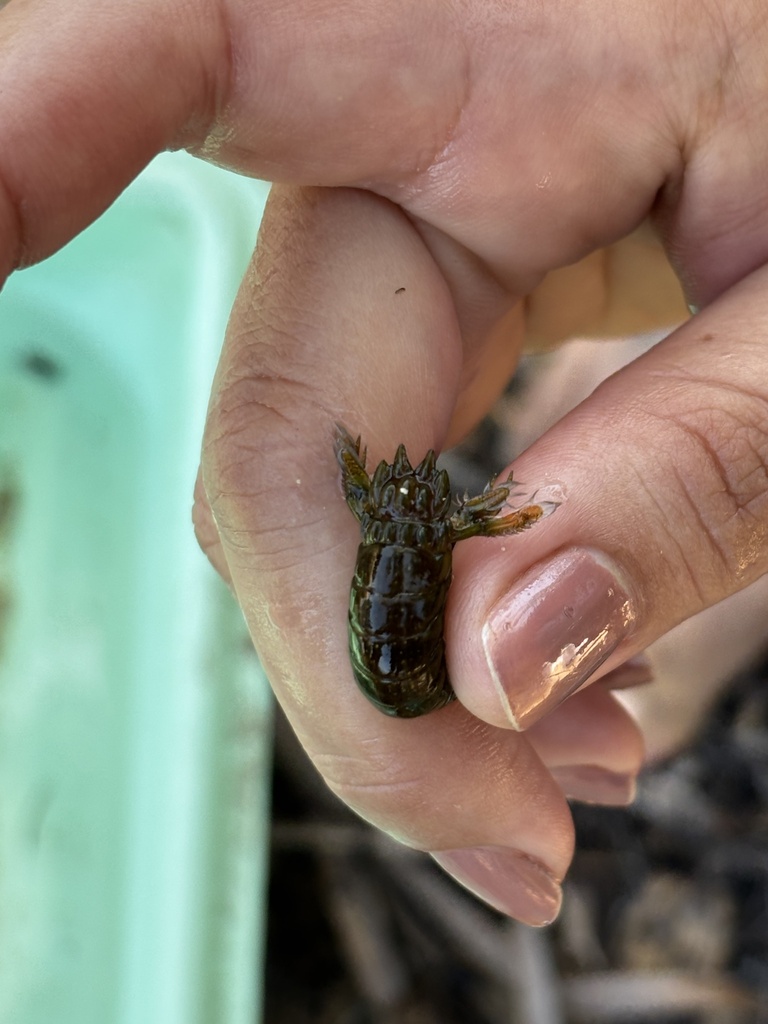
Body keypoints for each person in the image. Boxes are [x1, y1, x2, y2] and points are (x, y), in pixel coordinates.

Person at [4, 0, 768, 926]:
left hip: (420, 628)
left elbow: (383, 509)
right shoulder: (411, 531)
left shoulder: (397, 519)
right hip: (412, 652)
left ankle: (658, 384)